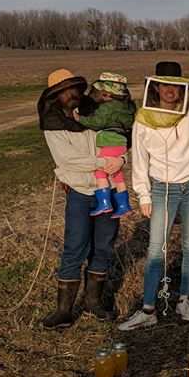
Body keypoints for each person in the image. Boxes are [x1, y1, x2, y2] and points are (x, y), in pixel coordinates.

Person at [122, 61, 189, 331]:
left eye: (176, 86)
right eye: (165, 85)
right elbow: (139, 160)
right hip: (161, 188)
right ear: (155, 87)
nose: (171, 90)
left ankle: (183, 299)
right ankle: (148, 308)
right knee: (156, 248)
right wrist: (143, 194)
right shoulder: (143, 118)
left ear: (183, 89)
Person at [37, 69, 122, 327]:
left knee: (104, 248)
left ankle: (93, 302)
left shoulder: (94, 112)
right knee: (75, 248)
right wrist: (104, 162)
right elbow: (68, 159)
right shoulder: (52, 124)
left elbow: (116, 139)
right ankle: (63, 311)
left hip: (109, 190)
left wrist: (121, 158)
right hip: (80, 193)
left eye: (74, 88)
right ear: (55, 95)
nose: (71, 94)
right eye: (65, 90)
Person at [72, 72, 137, 218]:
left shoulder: (107, 107)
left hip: (109, 142)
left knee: (100, 171)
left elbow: (97, 122)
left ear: (106, 94)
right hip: (121, 143)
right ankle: (123, 206)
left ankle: (105, 203)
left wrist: (80, 119)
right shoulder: (127, 107)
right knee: (117, 175)